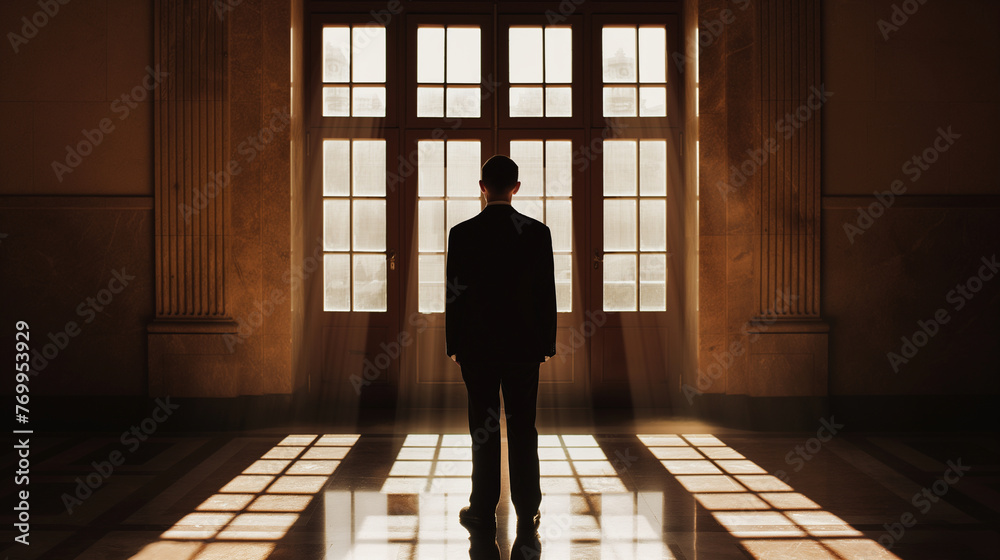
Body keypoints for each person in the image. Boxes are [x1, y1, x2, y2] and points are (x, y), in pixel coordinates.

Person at [446, 154, 557, 539]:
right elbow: (546, 294)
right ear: (516, 188)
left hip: (477, 347)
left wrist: (454, 343)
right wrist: (546, 342)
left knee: (483, 425)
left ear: (481, 187)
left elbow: (454, 295)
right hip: (524, 346)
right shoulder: (537, 232)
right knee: (524, 425)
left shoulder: (461, 234)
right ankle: (528, 510)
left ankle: (482, 507)